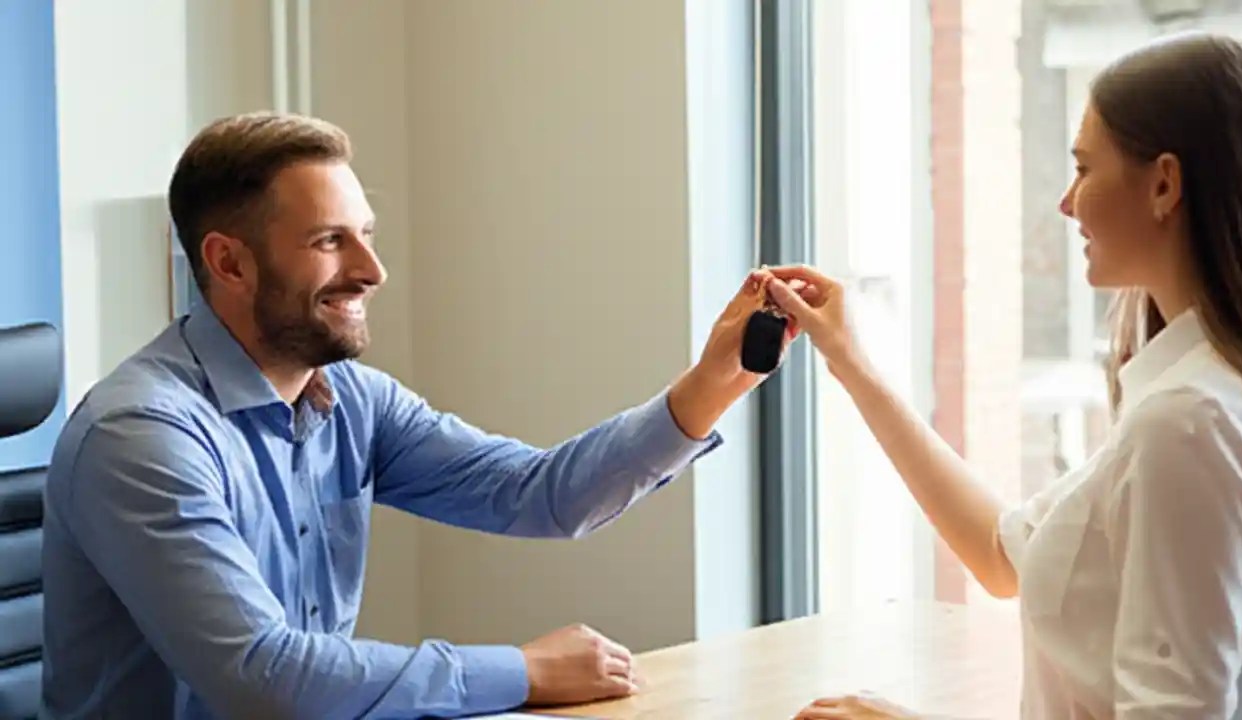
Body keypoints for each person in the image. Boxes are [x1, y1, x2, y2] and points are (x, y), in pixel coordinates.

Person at [39, 112, 803, 719]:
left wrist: (714, 381)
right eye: (329, 242)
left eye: (365, 235)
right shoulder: (142, 438)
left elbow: (539, 494)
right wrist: (523, 672)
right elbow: (265, 678)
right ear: (229, 262)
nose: (371, 271)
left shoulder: (350, 400)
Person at [779, 31, 1242, 720]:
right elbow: (999, 553)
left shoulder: (1190, 420)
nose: (1067, 202)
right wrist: (852, 362)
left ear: (1164, 184)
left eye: (1083, 168)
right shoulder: (1211, 395)